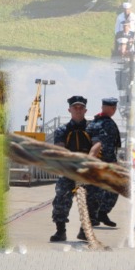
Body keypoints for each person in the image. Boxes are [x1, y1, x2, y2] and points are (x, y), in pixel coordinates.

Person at [50, 95, 99, 242]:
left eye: (81, 107)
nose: (78, 110)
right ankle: (60, 231)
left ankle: (84, 231)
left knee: (93, 200)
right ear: (69, 110)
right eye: (75, 107)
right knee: (61, 198)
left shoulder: (93, 129)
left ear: (85, 110)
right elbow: (60, 149)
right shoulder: (62, 130)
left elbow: (96, 146)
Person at [87, 96, 122, 227]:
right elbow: (105, 145)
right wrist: (113, 162)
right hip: (103, 162)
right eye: (114, 107)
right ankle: (101, 213)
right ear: (112, 108)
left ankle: (93, 216)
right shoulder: (107, 124)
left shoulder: (94, 122)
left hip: (92, 161)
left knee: (94, 190)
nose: (115, 109)